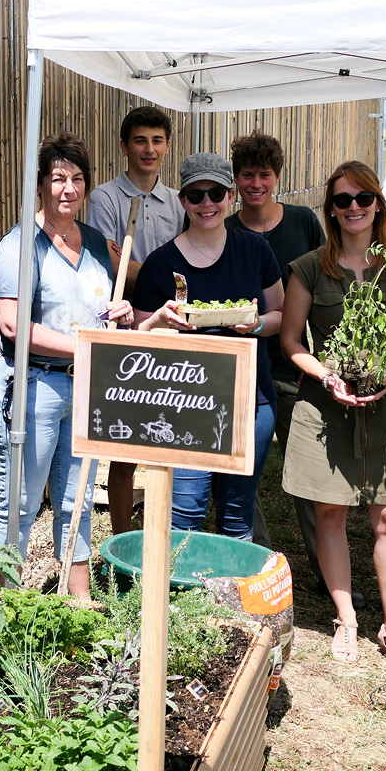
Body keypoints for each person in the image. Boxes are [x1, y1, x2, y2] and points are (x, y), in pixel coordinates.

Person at [279, 160, 386, 669]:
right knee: (330, 512)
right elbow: (291, 341)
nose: (355, 208)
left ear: (378, 204)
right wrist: (326, 375)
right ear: (331, 208)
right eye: (343, 200)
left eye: (364, 199)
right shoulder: (308, 267)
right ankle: (346, 619)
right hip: (328, 404)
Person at [0, 133, 133, 602]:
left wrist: (122, 314)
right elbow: (13, 326)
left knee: (79, 501)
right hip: (33, 387)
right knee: (21, 505)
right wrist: (86, 346)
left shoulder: (93, 241)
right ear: (41, 186)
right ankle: (1, 608)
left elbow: (105, 310)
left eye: (77, 179)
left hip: (83, 387)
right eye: (57, 179)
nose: (68, 189)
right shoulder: (20, 244)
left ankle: (81, 602)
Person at [224, 131, 357, 603]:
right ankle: (256, 566)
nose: (255, 183)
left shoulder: (302, 222)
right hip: (244, 370)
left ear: (277, 177)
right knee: (244, 476)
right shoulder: (224, 225)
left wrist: (323, 358)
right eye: (246, 175)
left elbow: (330, 284)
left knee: (309, 475)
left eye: (264, 174)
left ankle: (327, 571)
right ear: (236, 179)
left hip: (300, 368)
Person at [133, 152, 284, 540]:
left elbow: (282, 315)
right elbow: (137, 337)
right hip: (183, 405)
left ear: (230, 196)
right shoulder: (160, 263)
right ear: (182, 200)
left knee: (237, 511)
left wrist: (255, 324)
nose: (206, 204)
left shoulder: (254, 250)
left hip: (251, 398)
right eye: (195, 195)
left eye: (215, 193)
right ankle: (183, 597)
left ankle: (228, 597)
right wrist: (159, 322)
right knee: (184, 512)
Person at [88, 106, 185, 535]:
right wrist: (159, 281)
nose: (149, 149)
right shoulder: (105, 198)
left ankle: (168, 534)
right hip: (128, 323)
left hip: (174, 322)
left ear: (166, 146)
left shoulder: (178, 201)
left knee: (174, 431)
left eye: (157, 140)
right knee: (125, 442)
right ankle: (122, 539)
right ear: (125, 145)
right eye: (140, 140)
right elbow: (109, 256)